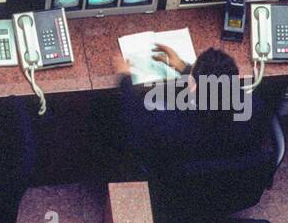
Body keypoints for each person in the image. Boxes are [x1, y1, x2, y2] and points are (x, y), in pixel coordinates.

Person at [110, 45, 263, 163]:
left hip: (177, 187)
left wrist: (125, 78)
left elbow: (132, 119)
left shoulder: (167, 124)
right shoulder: (255, 107)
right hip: (228, 184)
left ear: (194, 86)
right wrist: (184, 68)